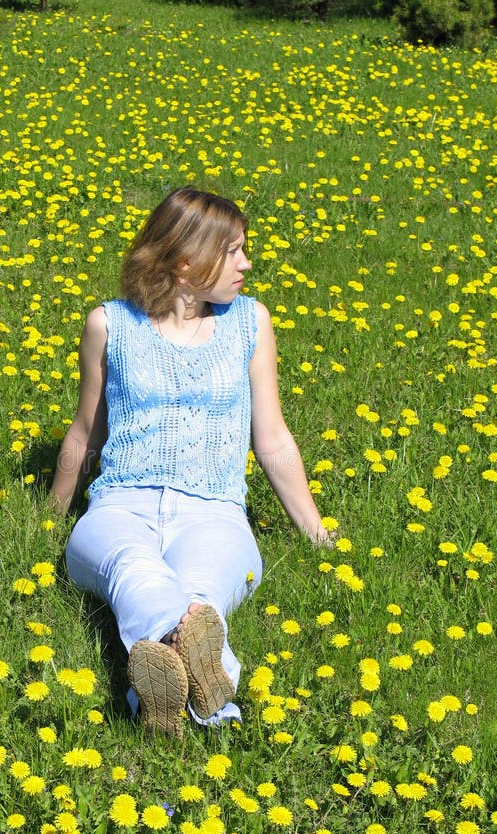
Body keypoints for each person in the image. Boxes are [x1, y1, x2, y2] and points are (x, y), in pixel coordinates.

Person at [51, 186, 331, 738]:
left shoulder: (250, 324)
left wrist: (316, 531)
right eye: (234, 251)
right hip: (120, 507)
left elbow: (271, 437)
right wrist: (52, 517)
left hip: (215, 512)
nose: (247, 264)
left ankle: (159, 692)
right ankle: (211, 698)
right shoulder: (110, 325)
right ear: (185, 260)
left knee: (201, 590)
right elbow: (86, 432)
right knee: (134, 569)